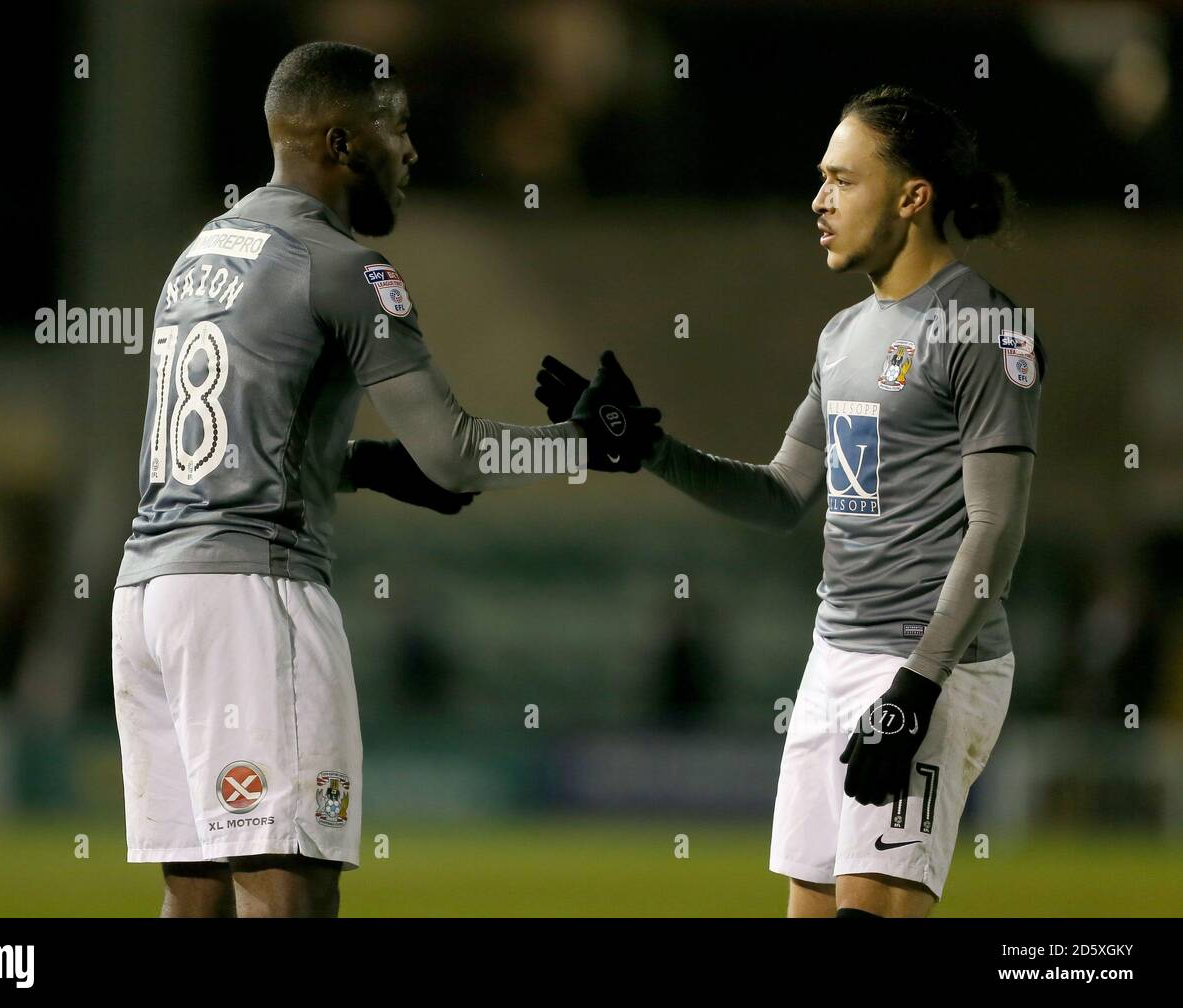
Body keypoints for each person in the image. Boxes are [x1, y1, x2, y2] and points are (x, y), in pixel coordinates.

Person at [112, 40, 660, 918]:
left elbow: (232, 448)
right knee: (289, 889)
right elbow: (455, 451)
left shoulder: (205, 251)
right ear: (339, 140)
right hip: (252, 596)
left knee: (196, 898)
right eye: (395, 127)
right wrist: (584, 447)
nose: (411, 151)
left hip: (149, 594)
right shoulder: (345, 267)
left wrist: (367, 466)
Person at [534, 86, 1043, 918]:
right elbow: (782, 496)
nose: (819, 200)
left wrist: (915, 689)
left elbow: (996, 525)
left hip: (925, 667)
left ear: (914, 197)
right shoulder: (843, 337)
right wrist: (647, 449)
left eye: (843, 180)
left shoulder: (986, 328)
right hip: (833, 656)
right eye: (820, 179)